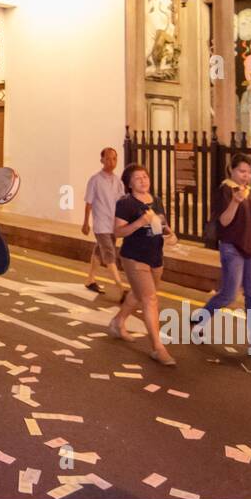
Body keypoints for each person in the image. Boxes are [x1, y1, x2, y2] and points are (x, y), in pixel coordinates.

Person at [196, 153, 251, 361]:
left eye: (248, 172)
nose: (246, 175)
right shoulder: (226, 190)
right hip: (232, 248)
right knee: (229, 294)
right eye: (241, 171)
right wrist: (235, 202)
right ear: (231, 170)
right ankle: (201, 320)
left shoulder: (248, 192)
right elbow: (224, 222)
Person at [109, 164, 178, 365]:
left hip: (155, 255)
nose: (143, 180)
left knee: (139, 294)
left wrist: (171, 234)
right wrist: (139, 222)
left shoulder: (156, 201)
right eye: (137, 178)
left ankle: (118, 322)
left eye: (145, 176)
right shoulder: (126, 203)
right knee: (150, 299)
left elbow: (163, 225)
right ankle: (158, 348)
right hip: (134, 256)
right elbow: (118, 232)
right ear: (129, 183)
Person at [81, 148, 126, 295]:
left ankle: (90, 280)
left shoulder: (118, 181)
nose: (111, 162)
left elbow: (122, 203)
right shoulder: (95, 180)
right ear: (102, 160)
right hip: (101, 225)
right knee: (109, 254)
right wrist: (86, 222)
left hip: (113, 224)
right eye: (107, 159)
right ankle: (121, 288)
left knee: (99, 251)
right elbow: (89, 202)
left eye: (114, 159)